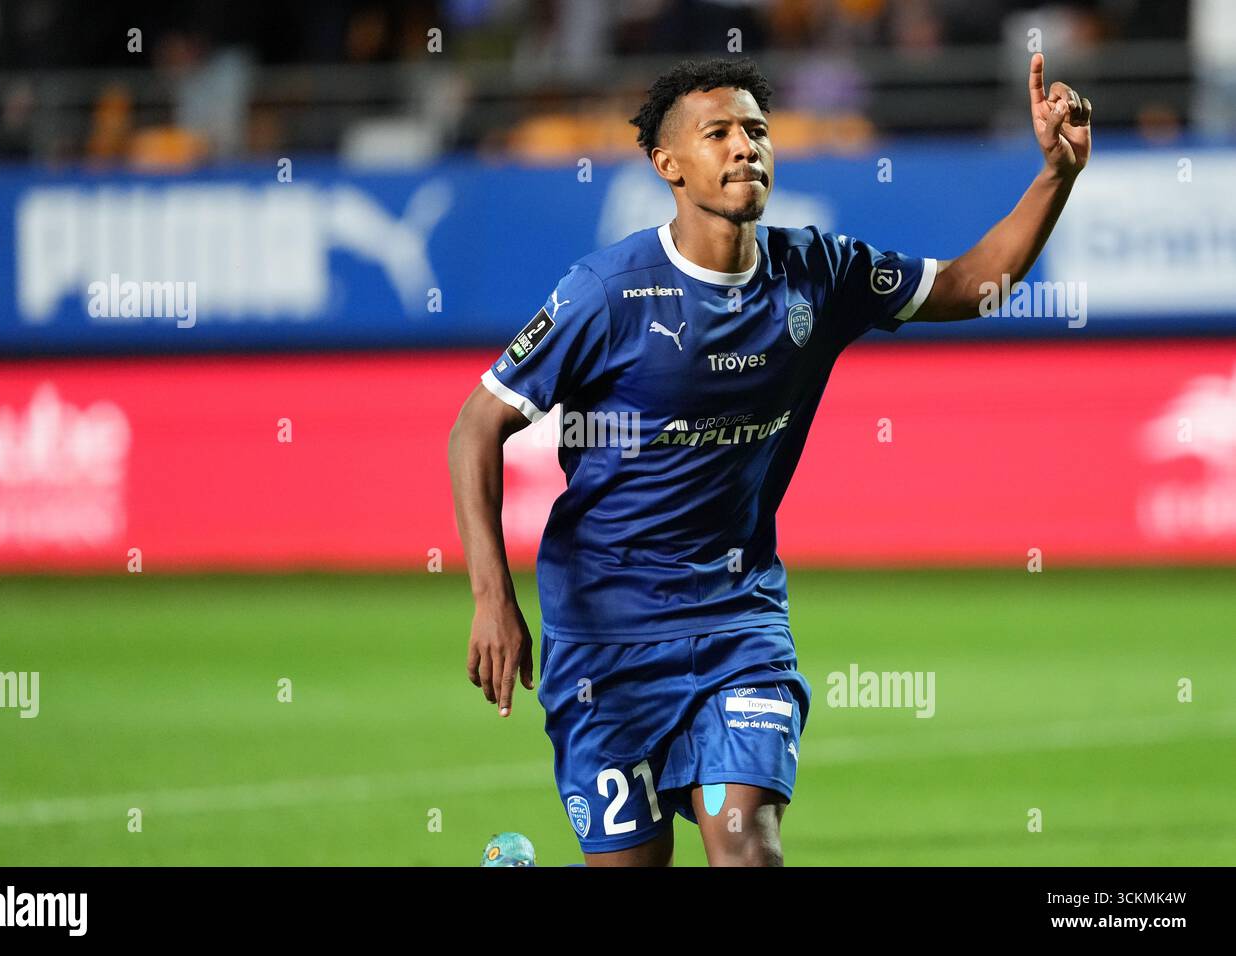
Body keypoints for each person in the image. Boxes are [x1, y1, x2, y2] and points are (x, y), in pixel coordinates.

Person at [448, 54, 1091, 866]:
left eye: (755, 129)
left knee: (749, 850)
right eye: (717, 133)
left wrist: (1054, 177)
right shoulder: (605, 294)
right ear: (668, 165)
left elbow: (971, 285)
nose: (744, 146)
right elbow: (475, 427)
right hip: (602, 638)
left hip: (736, 624)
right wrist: (492, 600)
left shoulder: (817, 272)